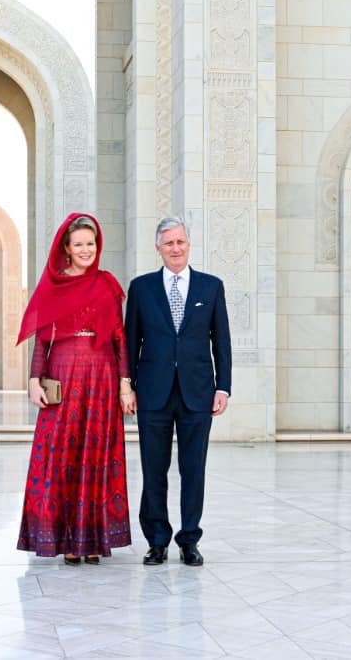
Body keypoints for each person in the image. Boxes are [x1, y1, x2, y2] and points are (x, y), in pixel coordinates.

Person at [15, 213, 134, 564]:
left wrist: (125, 384)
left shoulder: (106, 284)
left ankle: (93, 539)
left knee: (97, 456)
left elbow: (119, 337)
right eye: (78, 244)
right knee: (61, 455)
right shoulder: (53, 285)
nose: (85, 250)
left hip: (101, 378)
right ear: (66, 248)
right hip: (63, 376)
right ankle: (66, 538)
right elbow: (42, 340)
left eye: (90, 244)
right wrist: (33, 380)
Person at [123, 216, 232, 567]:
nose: (175, 248)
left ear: (189, 245)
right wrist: (127, 386)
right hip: (152, 393)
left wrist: (223, 387)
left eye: (180, 242)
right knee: (154, 470)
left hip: (197, 392)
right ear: (158, 247)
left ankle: (189, 540)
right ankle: (156, 542)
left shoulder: (210, 287)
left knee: (193, 469)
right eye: (168, 243)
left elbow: (222, 341)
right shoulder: (141, 288)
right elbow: (130, 342)